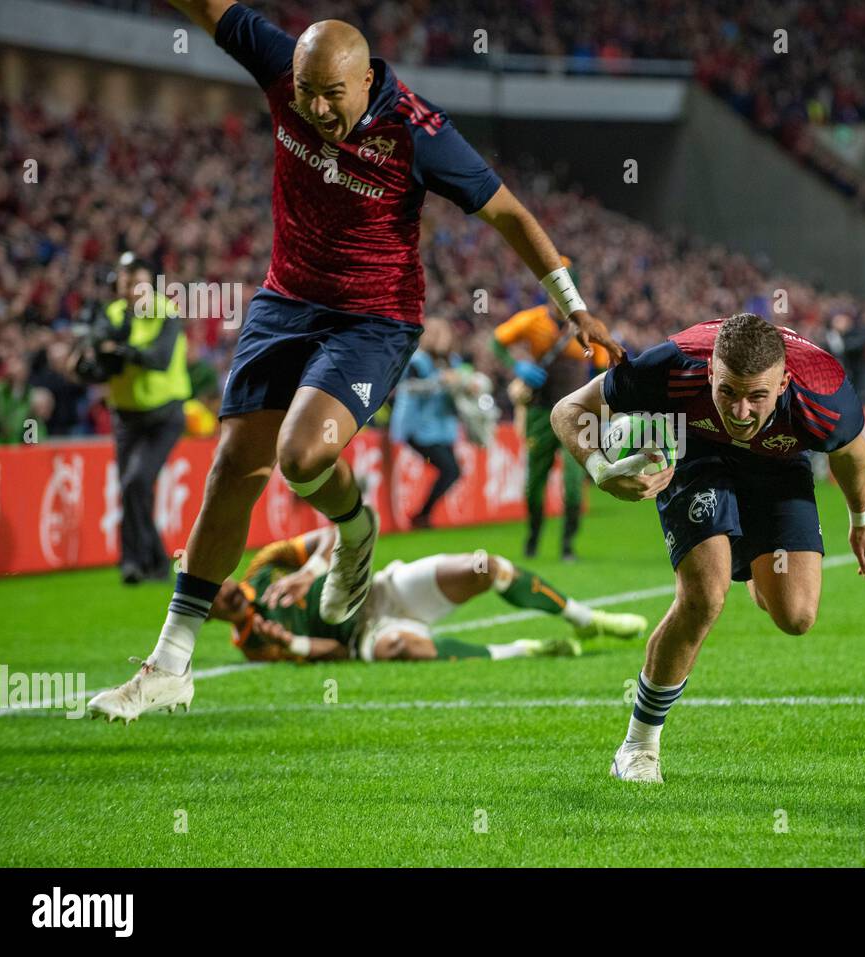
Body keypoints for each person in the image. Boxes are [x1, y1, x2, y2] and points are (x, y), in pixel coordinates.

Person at [88, 0, 621, 721]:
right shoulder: (284, 63)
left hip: (373, 318)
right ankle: (168, 665)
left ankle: (355, 528)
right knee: (233, 467)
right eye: (303, 93)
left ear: (366, 79)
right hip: (284, 302)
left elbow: (508, 215)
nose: (312, 107)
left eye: (329, 94)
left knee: (302, 455)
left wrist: (572, 303)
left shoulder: (419, 131)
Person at [551, 312, 865, 783]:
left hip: (778, 461)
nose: (740, 411)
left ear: (785, 382)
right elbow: (568, 410)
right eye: (727, 391)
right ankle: (638, 746)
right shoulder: (671, 366)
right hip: (693, 451)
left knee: (796, 616)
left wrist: (861, 520)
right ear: (710, 372)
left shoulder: (824, 394)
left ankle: (750, 559)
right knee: (705, 596)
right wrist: (600, 470)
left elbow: (850, 451)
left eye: (757, 396)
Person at [196, 528, 647, 671]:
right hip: (364, 634)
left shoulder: (267, 564)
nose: (224, 591)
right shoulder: (252, 642)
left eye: (218, 582)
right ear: (209, 615)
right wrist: (291, 644)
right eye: (212, 598)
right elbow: (333, 652)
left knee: (483, 566)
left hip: (382, 589)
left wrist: (309, 572)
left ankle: (585, 619)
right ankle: (525, 649)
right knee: (398, 648)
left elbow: (336, 531)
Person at [70, 256, 191, 584]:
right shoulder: (111, 315)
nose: (129, 288)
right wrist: (85, 364)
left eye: (135, 281)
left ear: (148, 283)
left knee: (135, 482)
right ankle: (143, 563)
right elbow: (99, 361)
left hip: (164, 415)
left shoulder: (164, 312)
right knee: (132, 489)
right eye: (124, 282)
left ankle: (139, 561)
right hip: (126, 417)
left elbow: (160, 359)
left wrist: (122, 353)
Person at [493, 260, 610, 560]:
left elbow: (603, 373)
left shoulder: (590, 326)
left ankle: (568, 546)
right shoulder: (531, 321)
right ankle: (532, 538)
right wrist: (515, 365)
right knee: (535, 483)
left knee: (573, 485)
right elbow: (497, 342)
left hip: (576, 415)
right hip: (540, 412)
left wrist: (602, 414)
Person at [388, 317, 463, 527]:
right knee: (451, 470)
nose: (441, 338)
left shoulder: (454, 361)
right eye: (435, 333)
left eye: (444, 333)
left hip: (444, 427)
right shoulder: (417, 360)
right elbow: (407, 387)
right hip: (418, 428)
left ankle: (422, 515)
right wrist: (440, 382)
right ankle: (421, 515)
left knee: (452, 471)